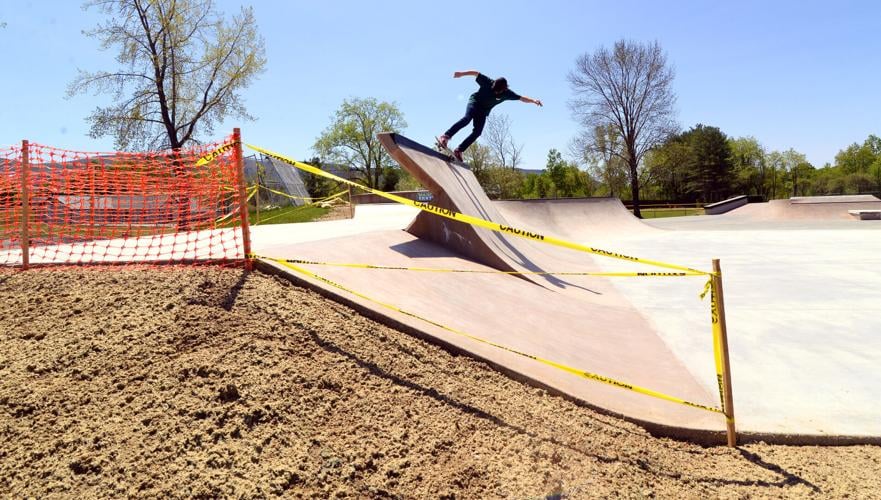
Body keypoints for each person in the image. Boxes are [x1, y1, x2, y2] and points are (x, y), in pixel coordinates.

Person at [438, 70, 542, 162]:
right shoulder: (488, 82)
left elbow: (521, 98)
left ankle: (459, 150)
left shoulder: (507, 93)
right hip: (474, 102)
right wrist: (461, 74)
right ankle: (446, 136)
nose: (495, 92)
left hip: (483, 111)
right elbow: (476, 73)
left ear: (503, 90)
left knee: (477, 132)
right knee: (466, 119)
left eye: (498, 91)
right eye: (494, 89)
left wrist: (533, 101)